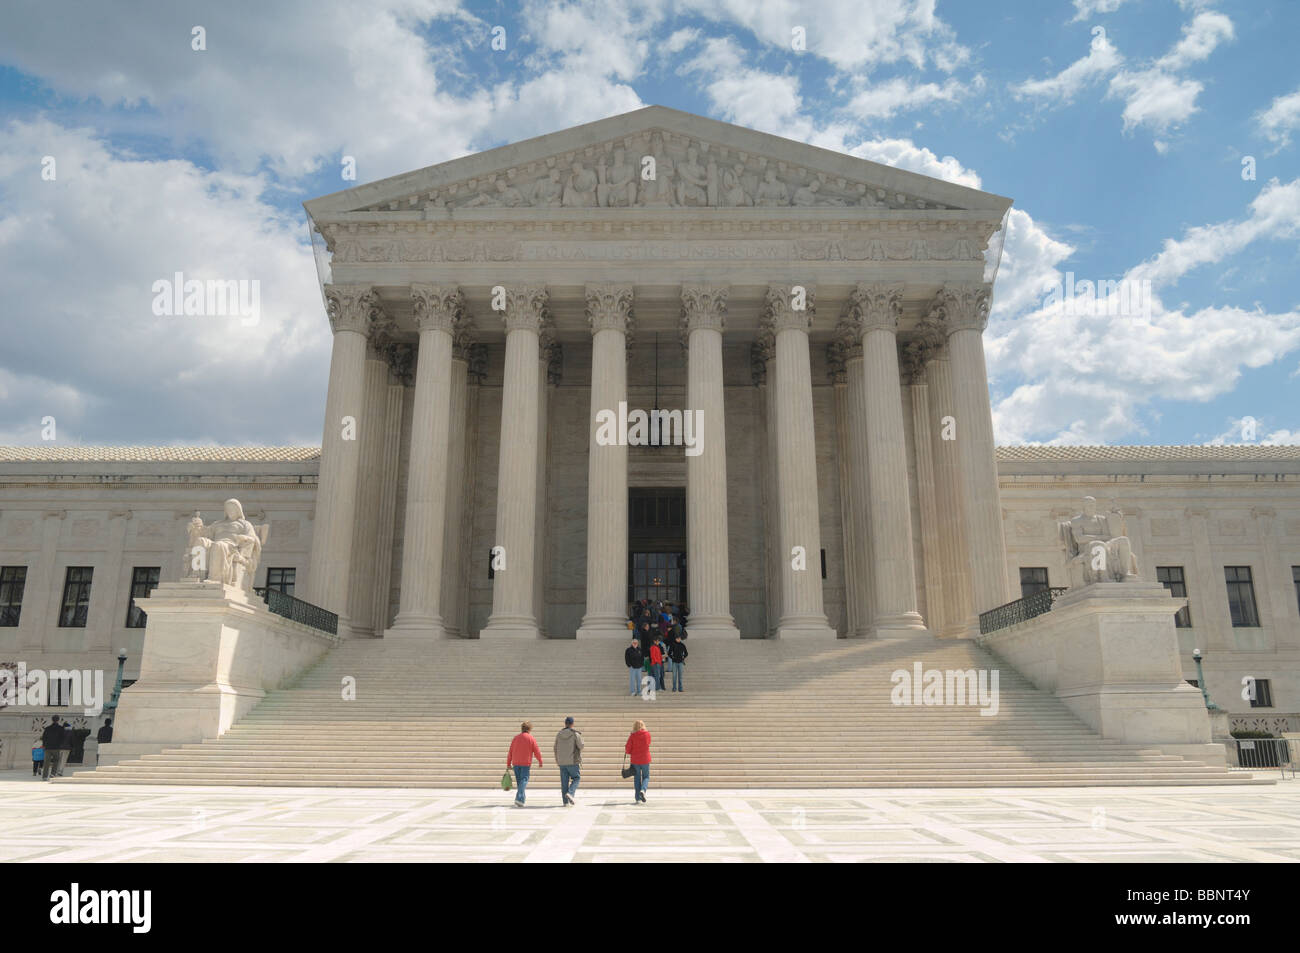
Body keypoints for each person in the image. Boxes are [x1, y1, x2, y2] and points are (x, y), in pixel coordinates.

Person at [506, 721, 543, 807]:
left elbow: (510, 751)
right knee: (524, 780)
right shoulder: (531, 738)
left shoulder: (515, 738)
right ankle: (519, 798)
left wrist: (508, 763)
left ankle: (521, 800)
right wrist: (540, 761)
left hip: (516, 763)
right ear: (529, 729)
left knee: (520, 782)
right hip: (525, 763)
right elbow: (536, 751)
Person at [553, 717, 584, 806]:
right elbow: (581, 746)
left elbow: (555, 748)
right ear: (572, 724)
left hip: (562, 762)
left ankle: (565, 802)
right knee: (576, 778)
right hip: (573, 761)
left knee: (564, 783)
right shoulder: (575, 734)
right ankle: (570, 793)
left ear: (565, 723)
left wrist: (557, 759)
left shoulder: (559, 734)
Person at [625, 720, 652, 803]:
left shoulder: (632, 735)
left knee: (637, 779)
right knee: (646, 777)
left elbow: (628, 749)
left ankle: (637, 798)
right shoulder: (647, 734)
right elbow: (649, 743)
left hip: (635, 760)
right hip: (645, 759)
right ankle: (643, 790)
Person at [41, 716, 64, 780]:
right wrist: (60, 745)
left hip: (48, 747)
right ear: (58, 720)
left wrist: (44, 745)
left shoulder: (47, 728)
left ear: (52, 720)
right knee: (56, 761)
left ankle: (45, 776)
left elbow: (44, 738)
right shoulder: (61, 728)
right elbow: (62, 738)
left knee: (46, 762)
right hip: (56, 747)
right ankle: (52, 774)